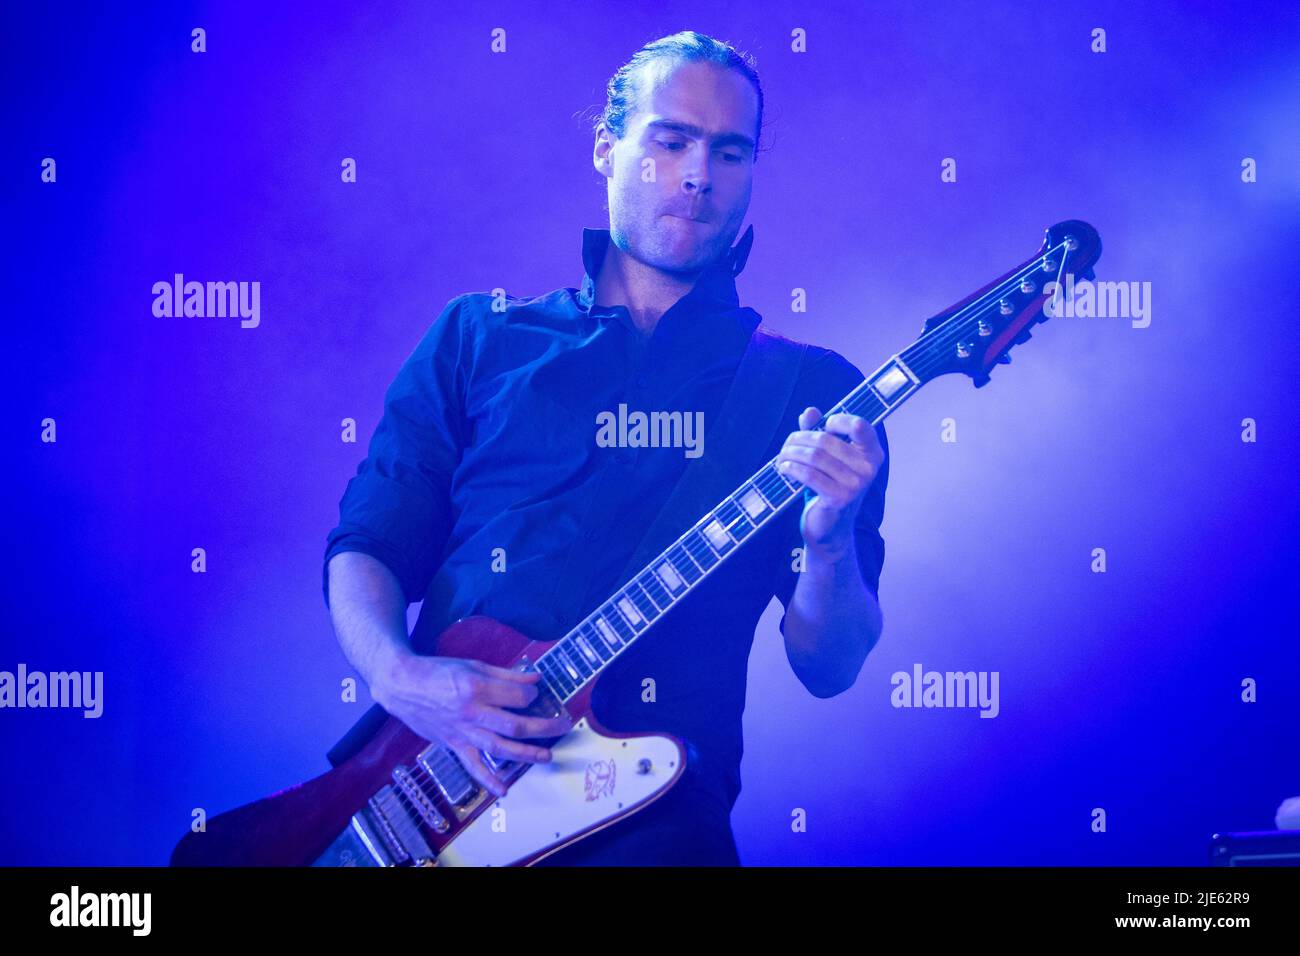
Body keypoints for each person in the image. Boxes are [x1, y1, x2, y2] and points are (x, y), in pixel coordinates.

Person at [322, 31, 889, 866]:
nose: (699, 176)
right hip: (425, 801)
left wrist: (829, 541)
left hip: (652, 826)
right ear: (606, 148)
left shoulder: (815, 393)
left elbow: (831, 664)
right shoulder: (480, 336)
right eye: (671, 140)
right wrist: (400, 677)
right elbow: (369, 542)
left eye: (729, 152)